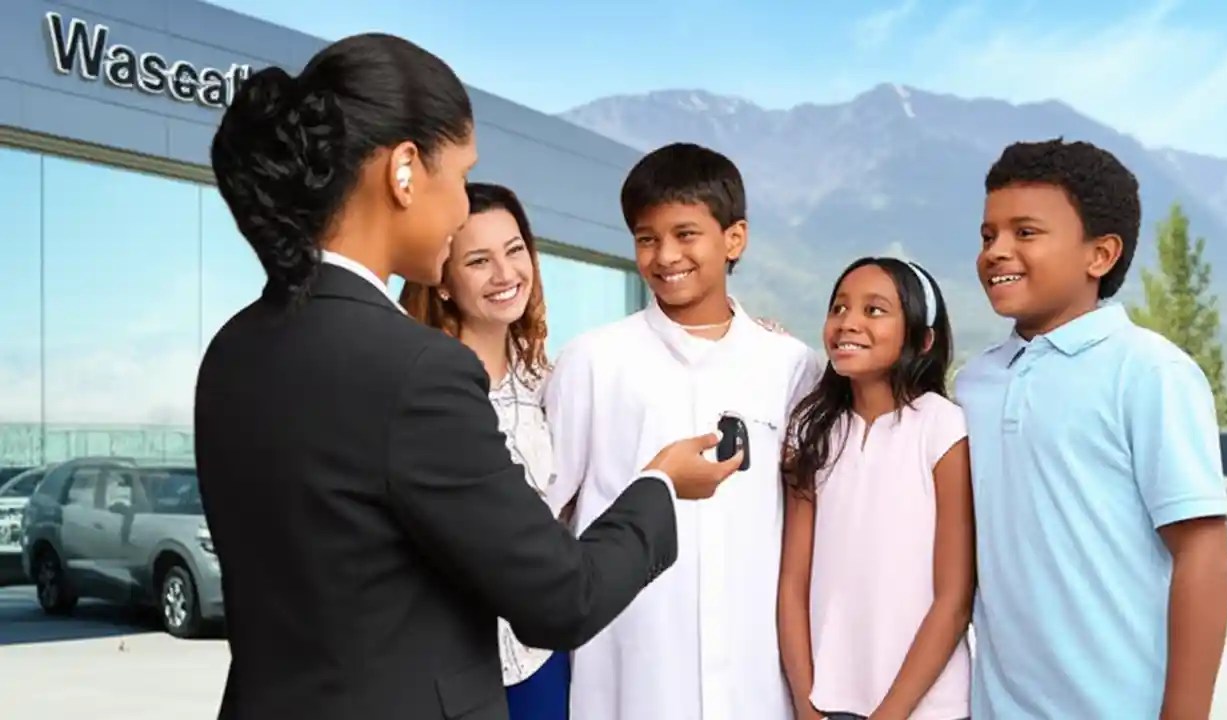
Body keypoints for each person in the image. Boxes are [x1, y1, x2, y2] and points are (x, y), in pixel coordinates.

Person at [196, 34, 742, 720]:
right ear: (404, 171)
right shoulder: (417, 371)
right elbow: (562, 596)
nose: (461, 209)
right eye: (460, 176)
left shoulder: (233, 349)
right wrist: (661, 485)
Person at [544, 142, 824, 720]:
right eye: (646, 238)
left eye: (685, 234)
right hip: (630, 676)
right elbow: (547, 510)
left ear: (734, 238)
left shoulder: (790, 366)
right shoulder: (592, 361)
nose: (665, 255)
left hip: (753, 678)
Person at [956, 138, 1227, 719]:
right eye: (987, 235)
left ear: (1100, 255)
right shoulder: (975, 384)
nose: (996, 251)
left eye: (1025, 232)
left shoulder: (1149, 372)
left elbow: (1202, 551)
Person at [400, 182, 570, 719]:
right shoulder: (416, 390)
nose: (505, 273)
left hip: (539, 658)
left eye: (515, 250)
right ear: (443, 282)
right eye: (478, 261)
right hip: (447, 661)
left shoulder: (550, 381)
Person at [778, 257, 975, 720]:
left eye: (874, 310)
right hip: (827, 704)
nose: (848, 322)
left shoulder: (944, 427)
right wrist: (806, 701)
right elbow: (792, 584)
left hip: (928, 708)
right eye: (839, 307)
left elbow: (954, 598)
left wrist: (890, 714)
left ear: (923, 339)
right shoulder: (811, 431)